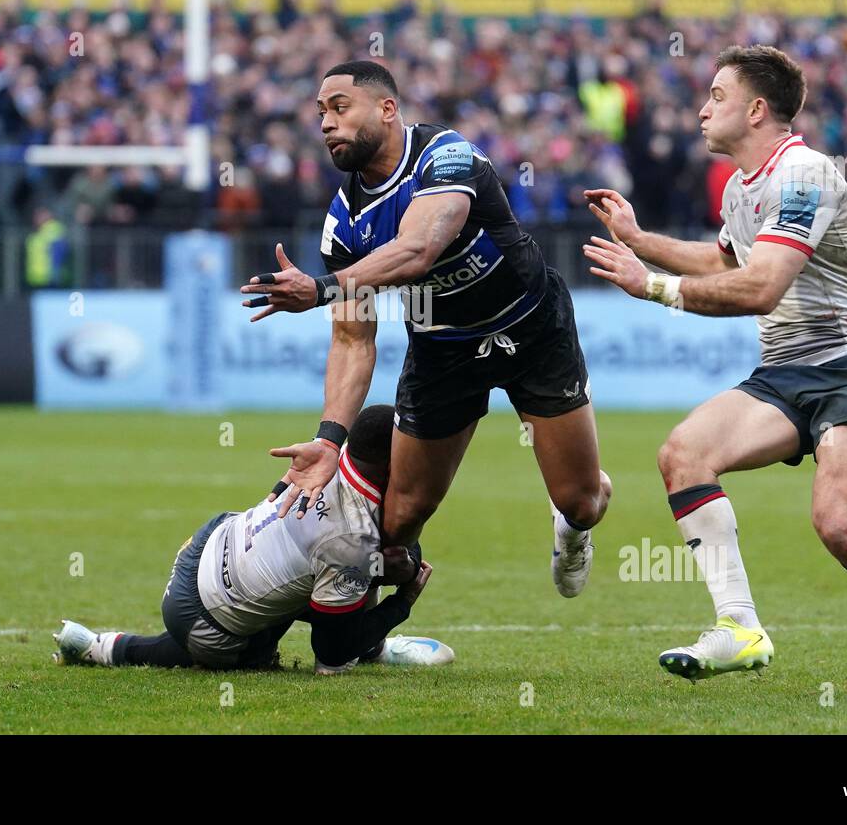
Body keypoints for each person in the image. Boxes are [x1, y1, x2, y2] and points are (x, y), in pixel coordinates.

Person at [582, 44, 847, 701]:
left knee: (840, 524)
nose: (703, 110)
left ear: (757, 110)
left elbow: (759, 288)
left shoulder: (806, 174)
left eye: (717, 97)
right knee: (683, 453)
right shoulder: (740, 187)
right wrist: (641, 239)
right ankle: (739, 627)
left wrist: (653, 287)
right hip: (785, 370)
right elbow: (725, 260)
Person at [239, 61, 612, 598]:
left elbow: (419, 249)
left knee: (581, 501)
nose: (325, 123)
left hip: (532, 329)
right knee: (399, 521)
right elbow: (352, 339)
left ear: (387, 109)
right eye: (321, 112)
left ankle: (573, 533)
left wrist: (322, 288)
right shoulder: (343, 222)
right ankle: (367, 639)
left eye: (340, 108)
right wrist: (328, 440)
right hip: (443, 350)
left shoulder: (445, 154)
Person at [53, 405, 453, 674]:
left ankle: (90, 644)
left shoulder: (334, 455)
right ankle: (102, 649)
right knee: (347, 582)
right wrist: (402, 603)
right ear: (391, 457)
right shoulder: (351, 537)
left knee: (353, 567)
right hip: (204, 617)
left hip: (210, 543)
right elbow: (329, 654)